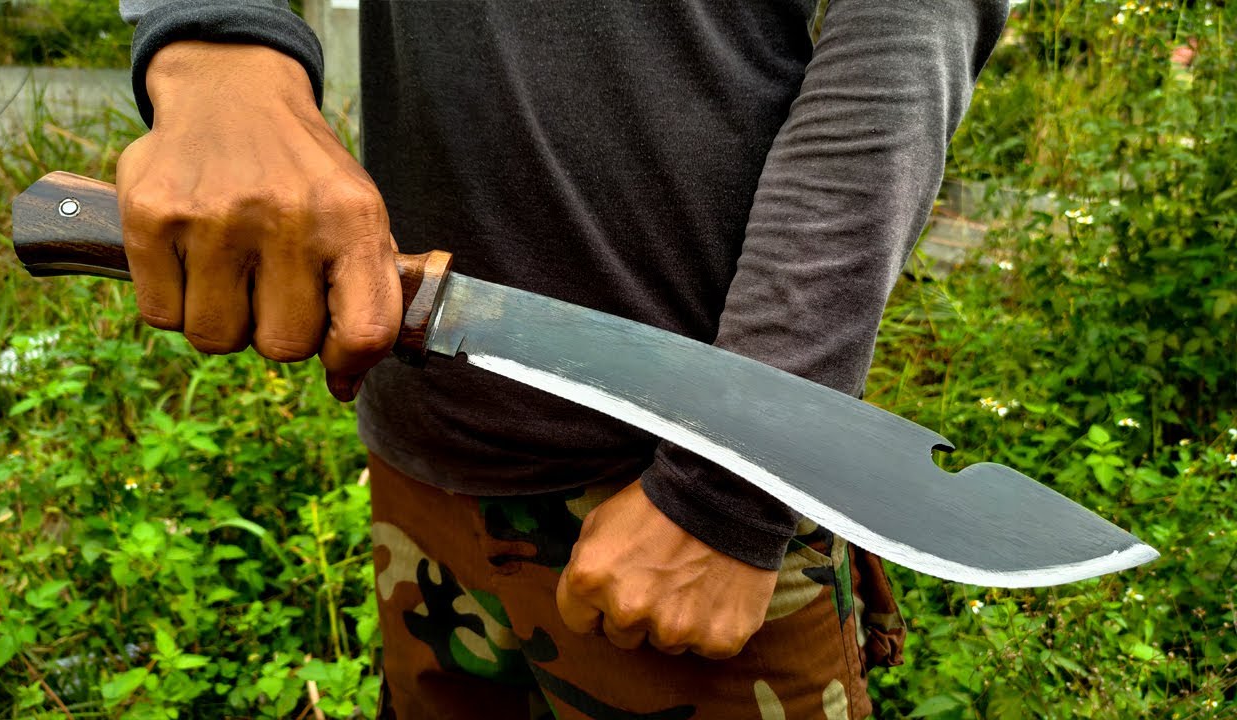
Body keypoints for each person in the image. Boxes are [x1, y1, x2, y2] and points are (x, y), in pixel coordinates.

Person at [115, 1, 1009, 718]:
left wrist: (731, 486)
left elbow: (908, 24)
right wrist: (214, 39)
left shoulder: (713, 497)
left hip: (680, 514)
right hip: (419, 470)